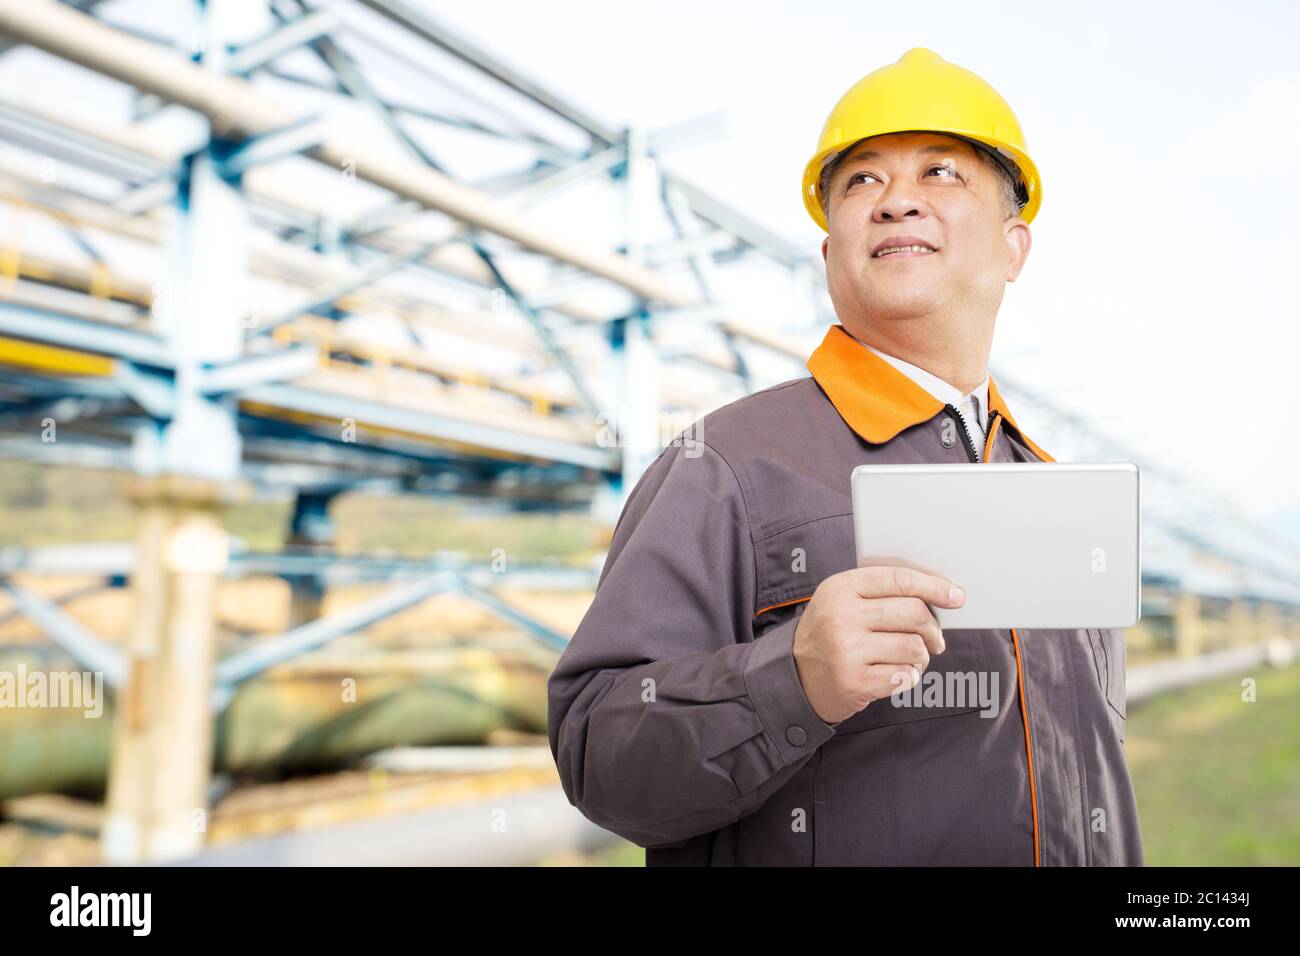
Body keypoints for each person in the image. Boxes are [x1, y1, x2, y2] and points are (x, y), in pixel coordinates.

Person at [547, 47, 1143, 866]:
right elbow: (595, 756)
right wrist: (789, 679)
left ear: (1014, 249)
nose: (897, 200)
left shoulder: (1056, 497)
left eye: (941, 173)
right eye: (862, 182)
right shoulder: (723, 466)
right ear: (831, 256)